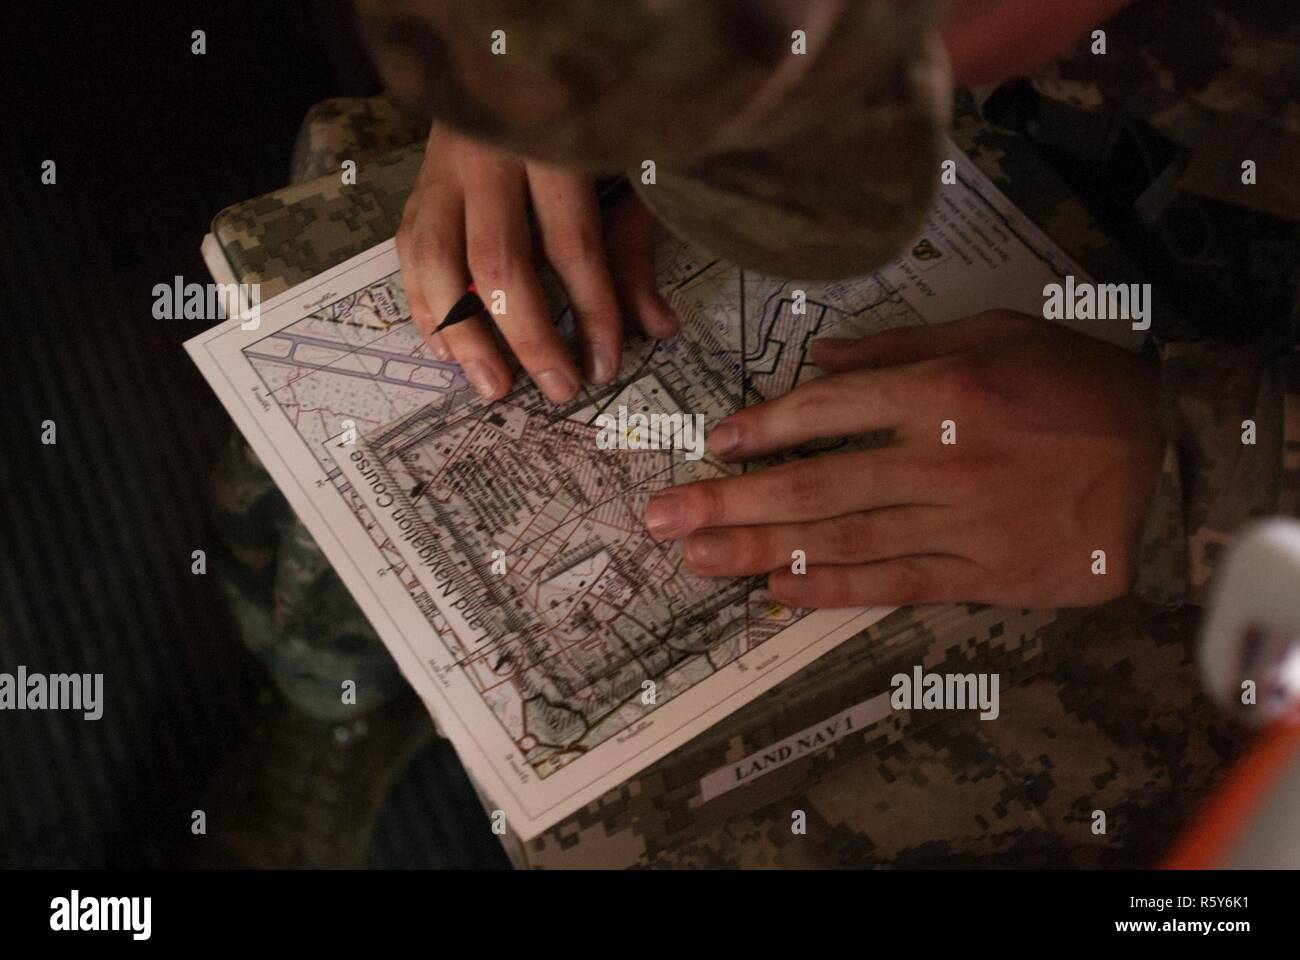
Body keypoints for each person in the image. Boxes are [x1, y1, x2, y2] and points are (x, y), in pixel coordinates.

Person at [213, 0, 1300, 865]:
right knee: (392, 331)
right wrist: (547, 71)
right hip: (1037, 154)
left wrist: (1207, 465)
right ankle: (336, 694)